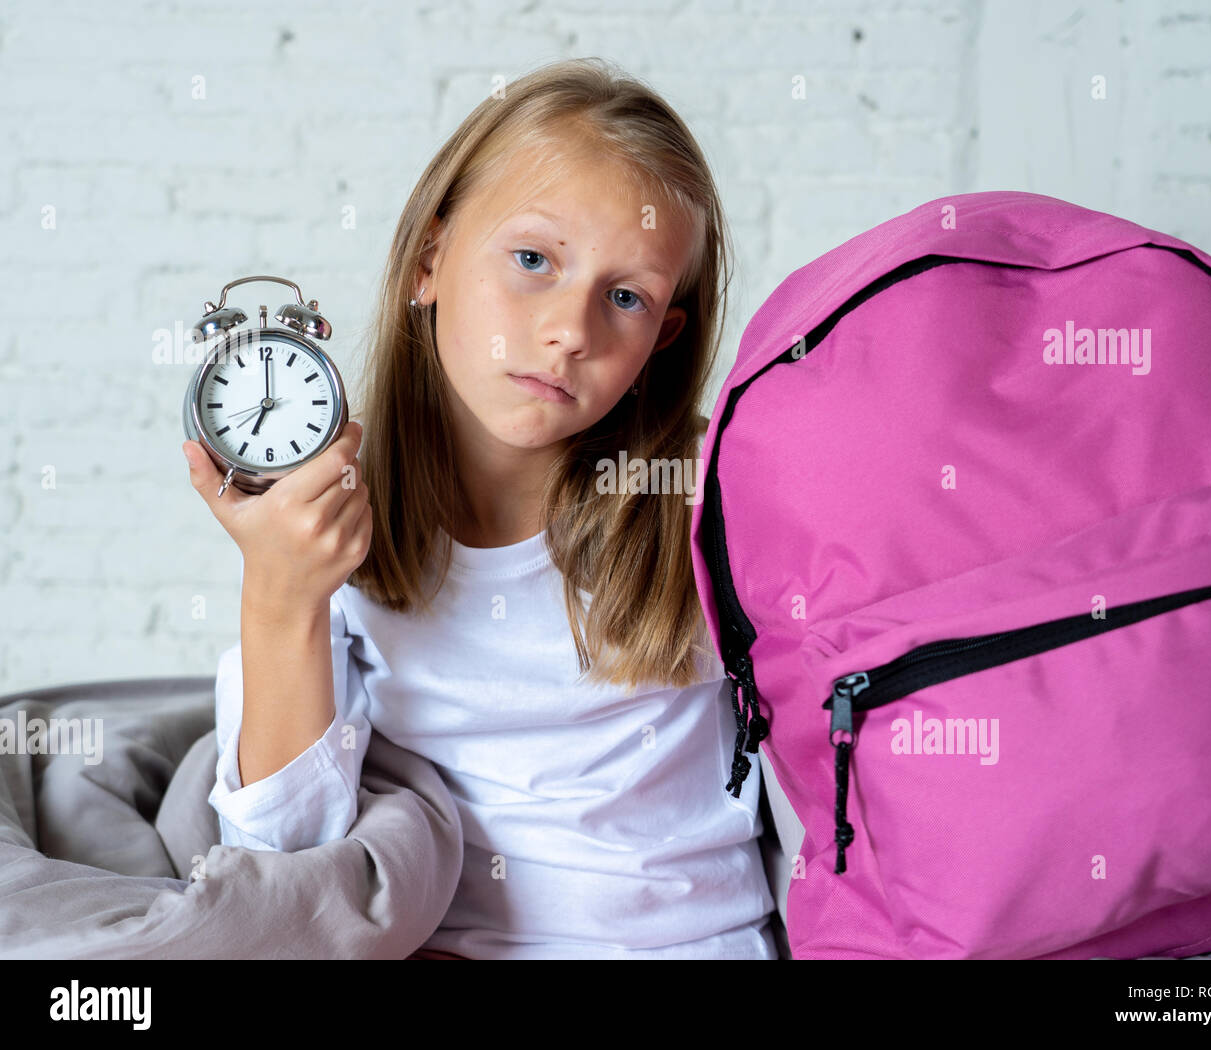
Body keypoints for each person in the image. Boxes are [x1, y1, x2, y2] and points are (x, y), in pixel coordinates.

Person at [182, 57, 777, 960]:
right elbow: (282, 873)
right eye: (533, 260)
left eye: (625, 297)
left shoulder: (711, 498)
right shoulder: (333, 513)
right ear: (429, 260)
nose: (571, 330)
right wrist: (281, 596)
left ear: (660, 341)